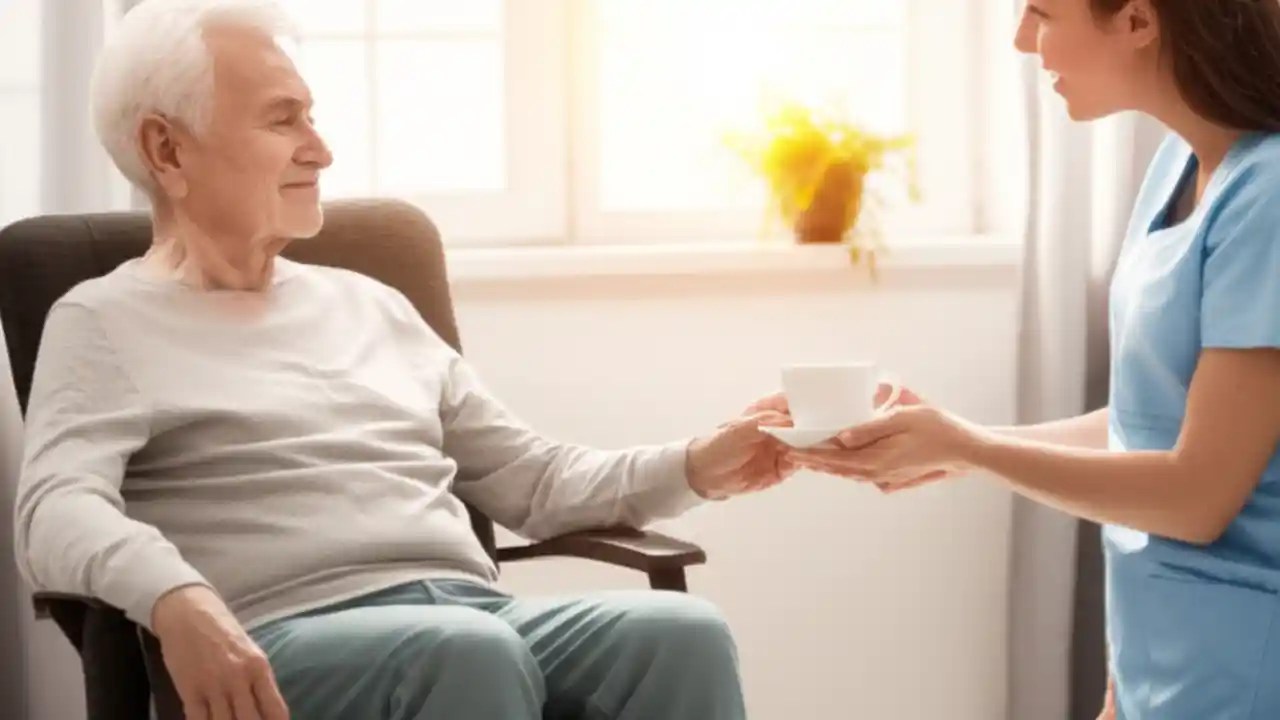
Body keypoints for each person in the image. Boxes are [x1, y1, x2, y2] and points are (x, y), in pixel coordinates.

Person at [12, 1, 794, 718]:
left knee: (680, 634)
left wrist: (698, 464)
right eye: (283, 119)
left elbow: (535, 482)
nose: (321, 149)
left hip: (471, 616)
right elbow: (52, 512)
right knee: (466, 653)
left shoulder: (371, 305)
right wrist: (173, 594)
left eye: (312, 116)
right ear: (166, 147)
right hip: (279, 643)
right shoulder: (104, 321)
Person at [784, 1, 1280, 718]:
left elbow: (1197, 498)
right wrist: (952, 443)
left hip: (1245, 670)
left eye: (1042, 13)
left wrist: (971, 449)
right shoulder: (1178, 168)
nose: (1023, 40)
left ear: (1137, 21)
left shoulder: (1268, 196)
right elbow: (1148, 421)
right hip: (1162, 667)